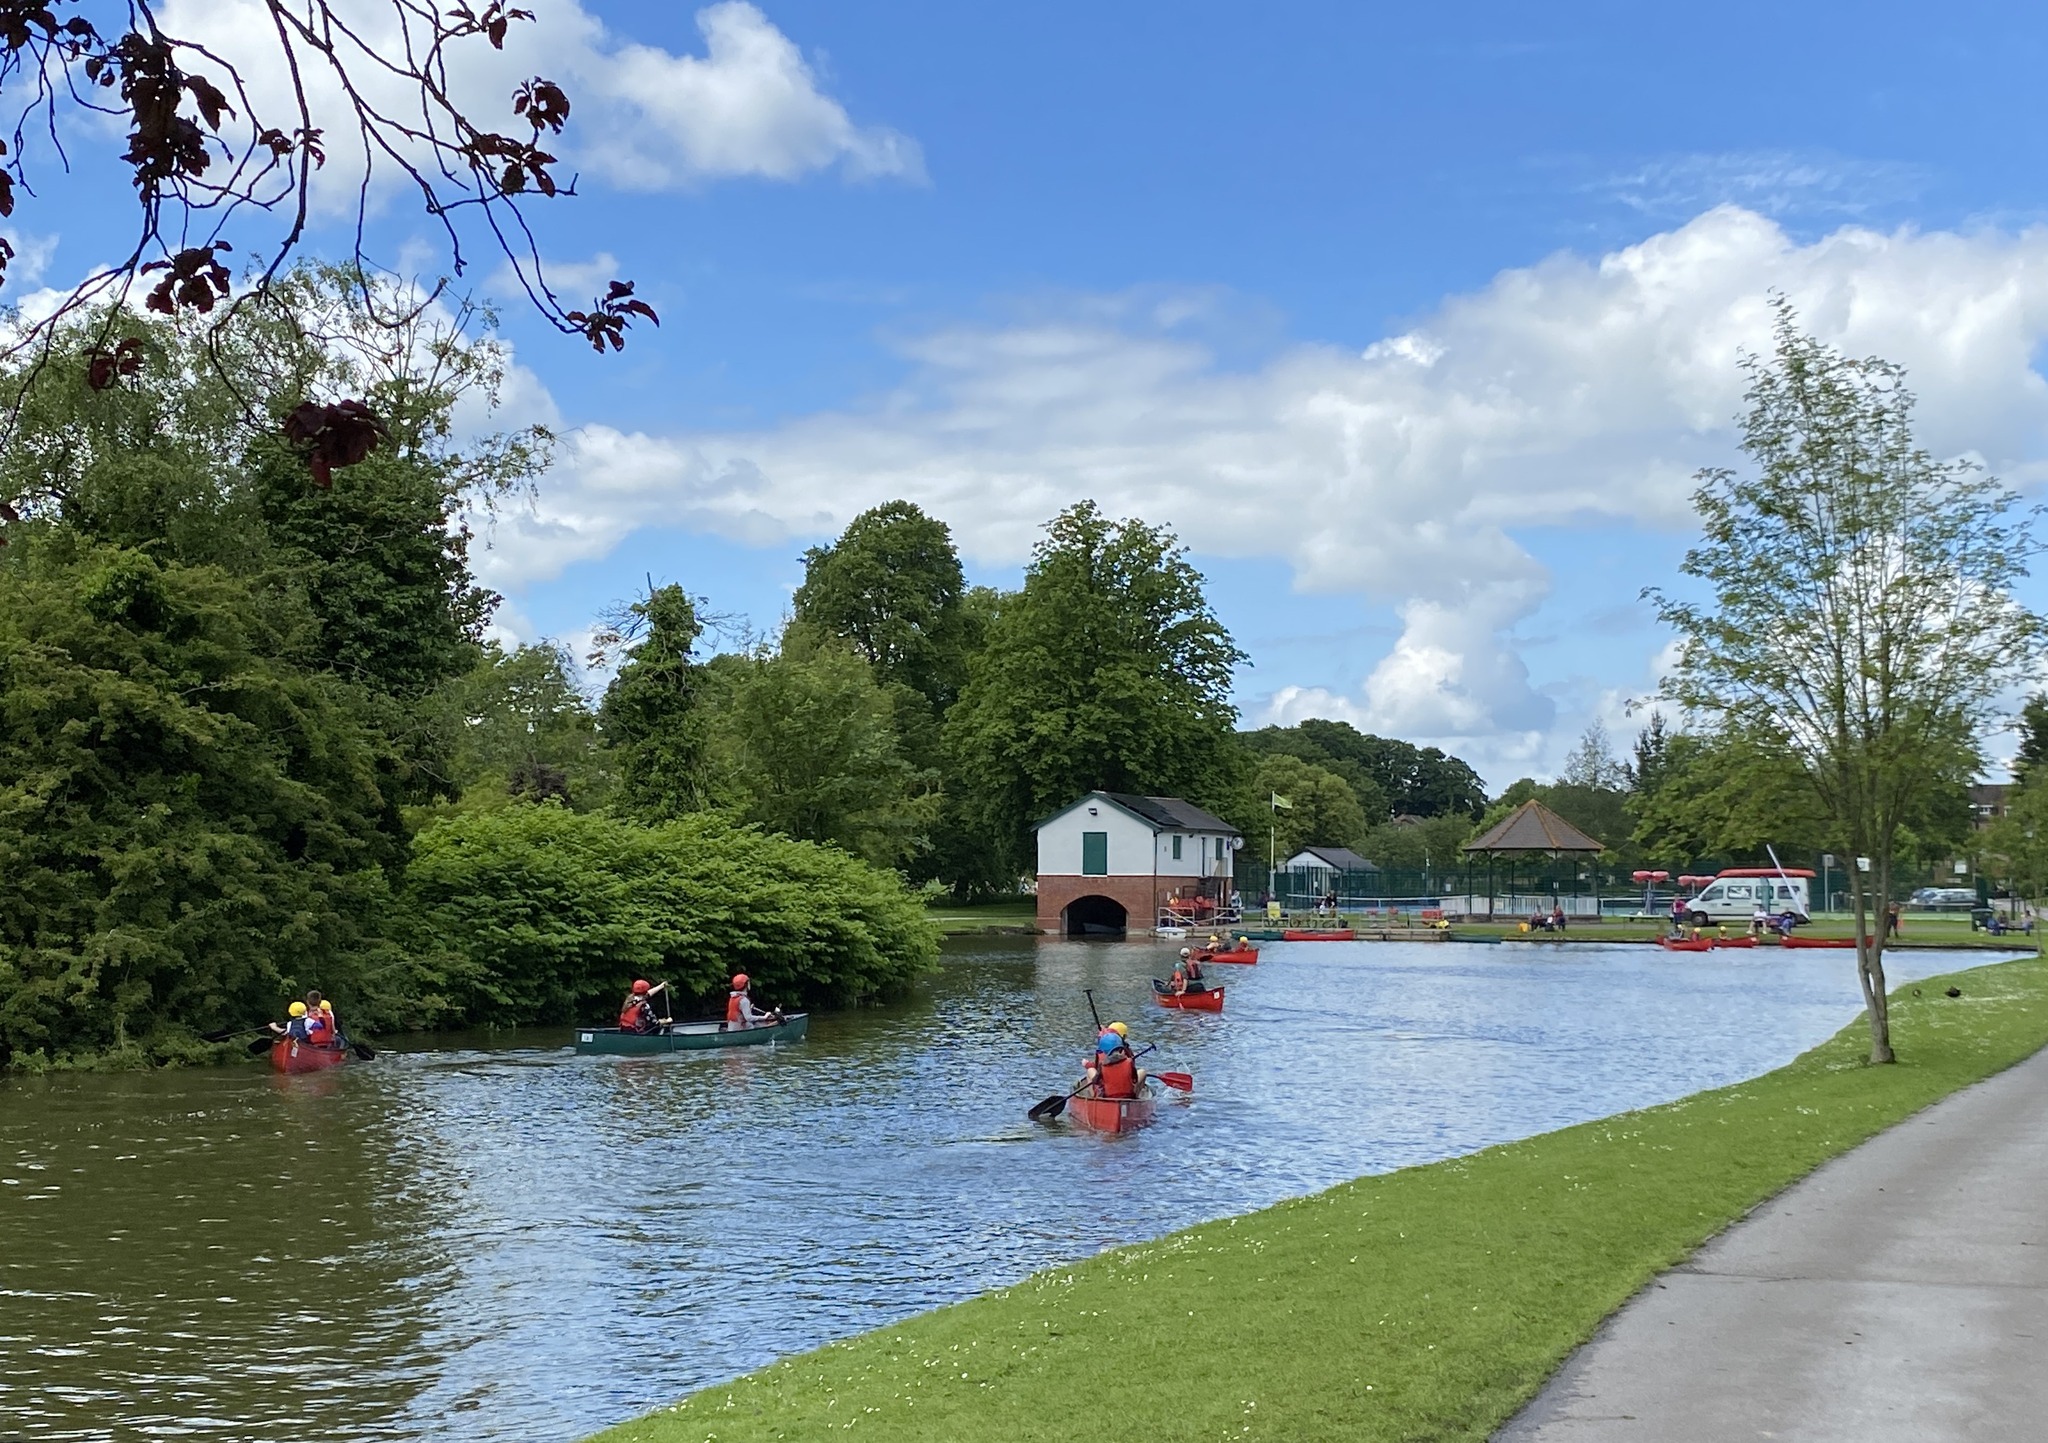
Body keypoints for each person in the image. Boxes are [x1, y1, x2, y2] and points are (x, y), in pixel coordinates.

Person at [1081, 1023, 1145, 1099]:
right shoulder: (1129, 1061)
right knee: (1142, 1072)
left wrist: (1089, 1065)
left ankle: (1094, 1098)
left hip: (1108, 1095)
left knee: (1090, 1070)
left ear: (1104, 1051)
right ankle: (1135, 1098)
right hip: (1128, 1094)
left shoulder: (1102, 1065)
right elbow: (1135, 1079)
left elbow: (1096, 1081)